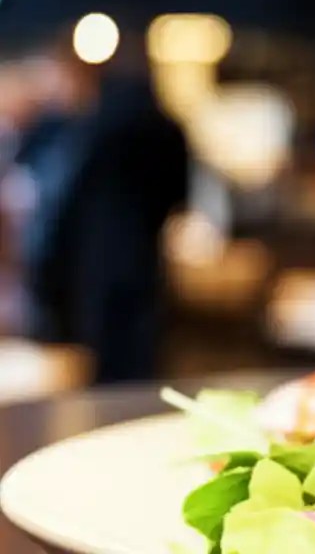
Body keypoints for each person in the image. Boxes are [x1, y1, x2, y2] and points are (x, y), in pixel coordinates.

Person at [14, 26, 189, 383]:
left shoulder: (88, 127)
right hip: (142, 260)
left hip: (89, 266)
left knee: (93, 363)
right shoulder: (162, 124)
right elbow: (178, 195)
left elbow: (63, 207)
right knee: (136, 360)